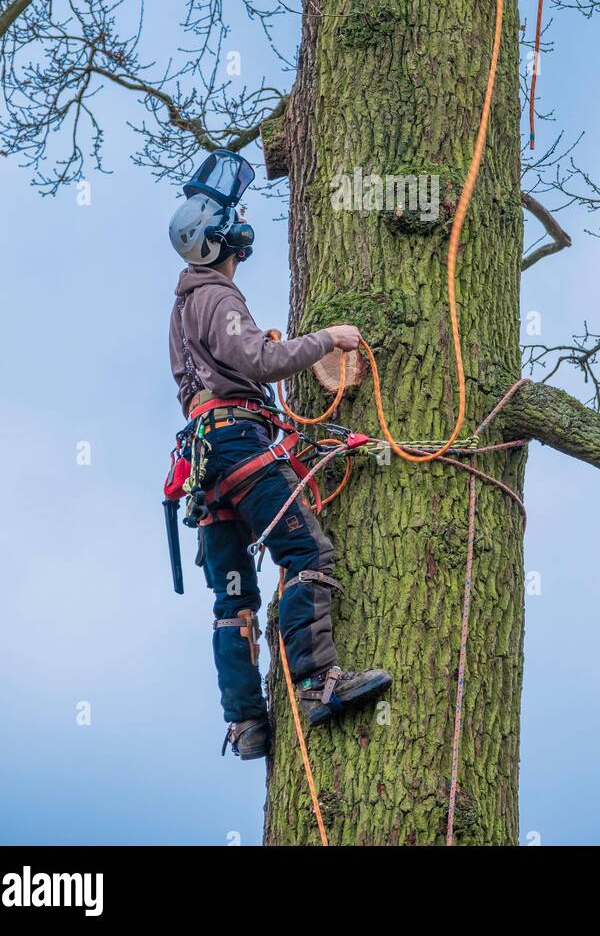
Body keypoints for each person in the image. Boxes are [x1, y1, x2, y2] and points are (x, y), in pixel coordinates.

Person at [168, 150, 391, 760]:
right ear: (224, 242)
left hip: (206, 466)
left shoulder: (184, 305)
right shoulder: (217, 297)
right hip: (238, 444)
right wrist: (329, 339)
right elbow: (260, 363)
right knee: (306, 551)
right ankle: (320, 683)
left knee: (232, 599)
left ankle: (247, 724)